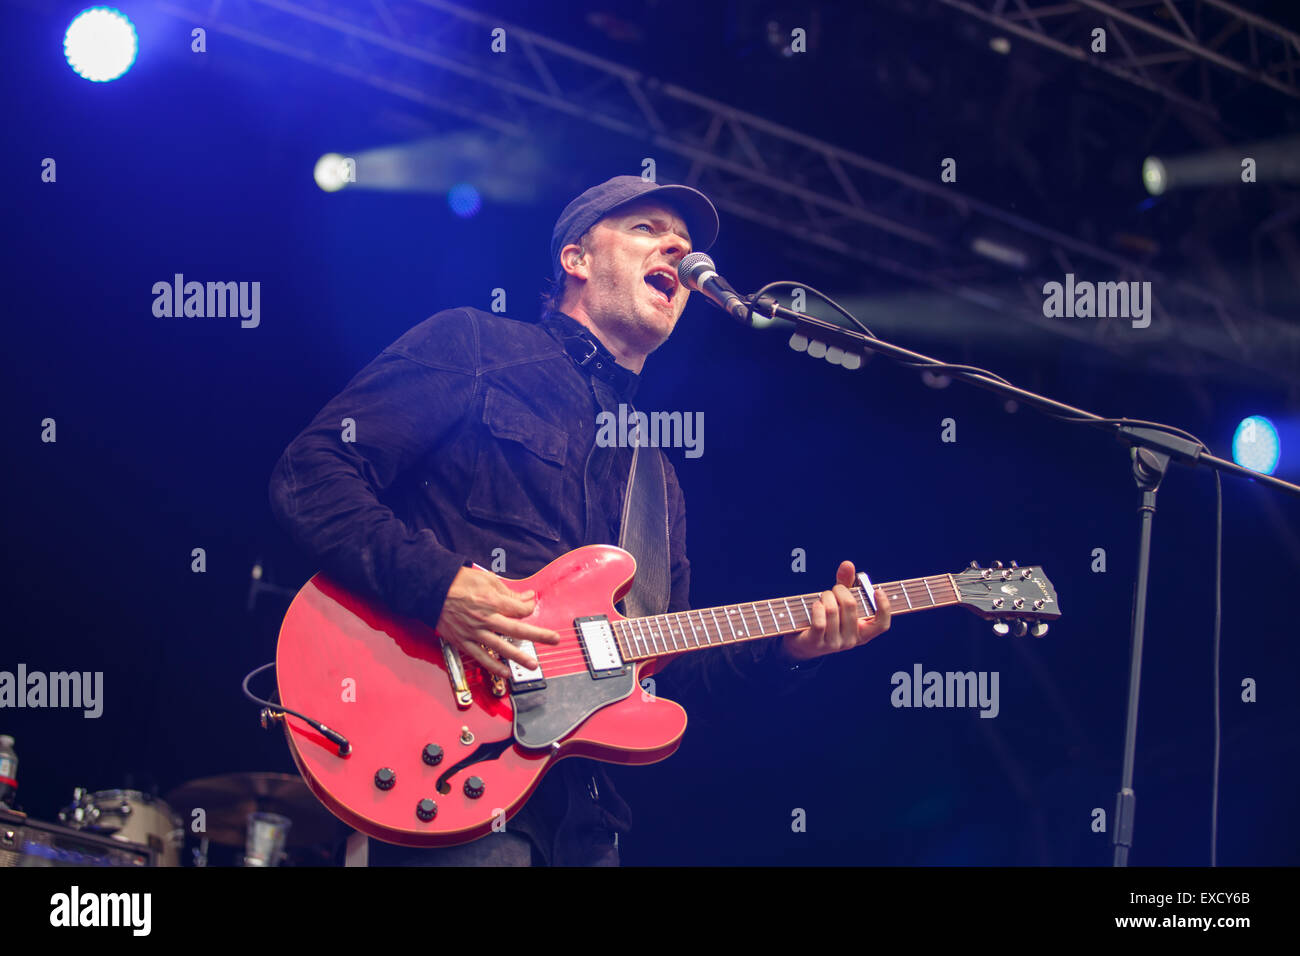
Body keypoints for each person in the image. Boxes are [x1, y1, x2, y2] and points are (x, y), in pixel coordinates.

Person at [267, 174, 892, 866]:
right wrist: (440, 587)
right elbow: (312, 474)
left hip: (586, 824)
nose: (678, 247)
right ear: (576, 259)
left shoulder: (655, 480)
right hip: (449, 772)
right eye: (647, 229)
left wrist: (790, 650)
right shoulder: (476, 346)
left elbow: (667, 673)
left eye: (682, 240)